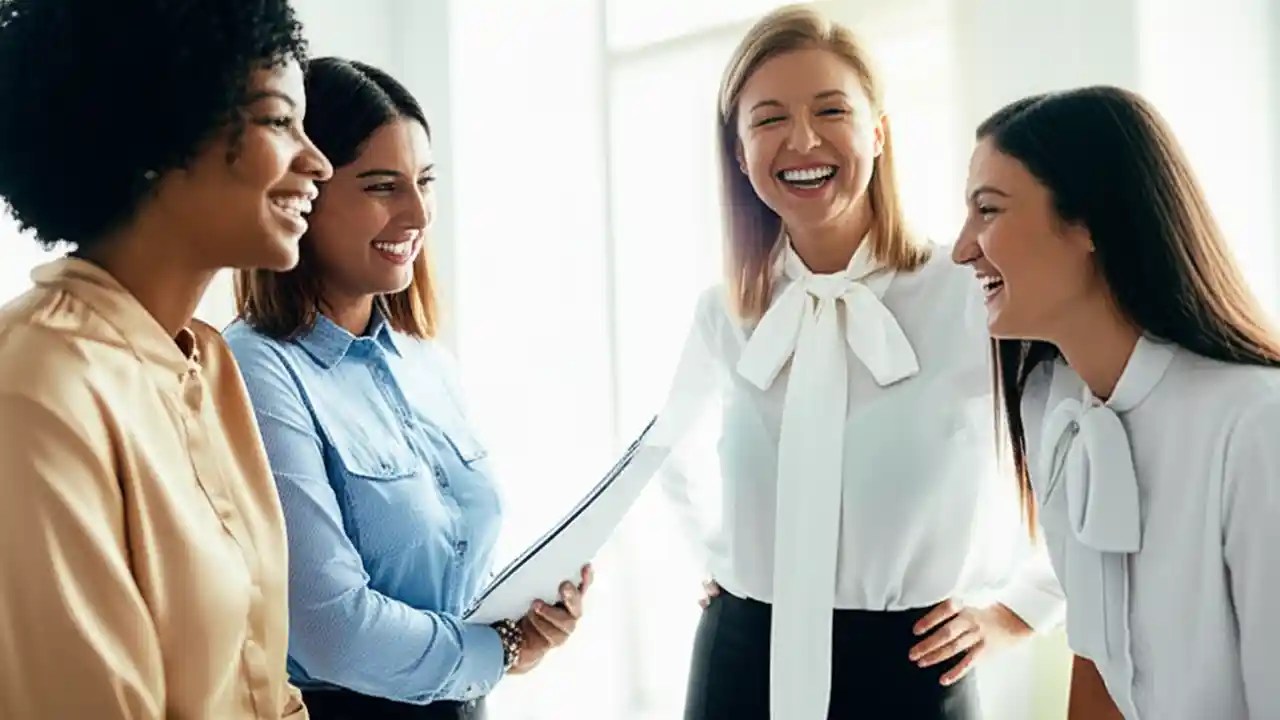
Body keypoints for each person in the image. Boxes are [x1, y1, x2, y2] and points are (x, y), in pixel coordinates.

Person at [657, 6, 1064, 720]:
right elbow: (667, 451)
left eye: (831, 109)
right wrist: (727, 561)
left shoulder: (970, 294)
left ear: (878, 131)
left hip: (908, 668)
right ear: (738, 150)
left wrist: (1021, 611)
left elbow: (1088, 459)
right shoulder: (726, 311)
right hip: (741, 662)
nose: (802, 140)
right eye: (769, 118)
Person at [225, 57, 590, 720]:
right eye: (381, 185)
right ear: (304, 188)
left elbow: (449, 566)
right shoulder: (256, 368)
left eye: (424, 181)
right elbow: (330, 630)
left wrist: (525, 620)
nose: (418, 212)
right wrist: (495, 652)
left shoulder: (427, 361)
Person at [0, 1, 334, 718]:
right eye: (280, 121)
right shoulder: (36, 389)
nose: (319, 162)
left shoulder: (209, 367)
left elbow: (265, 690)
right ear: (158, 126)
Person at [952, 85, 1280, 719]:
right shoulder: (1054, 407)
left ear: (1089, 223)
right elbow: (1103, 658)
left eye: (987, 210)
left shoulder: (1253, 425)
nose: (963, 248)